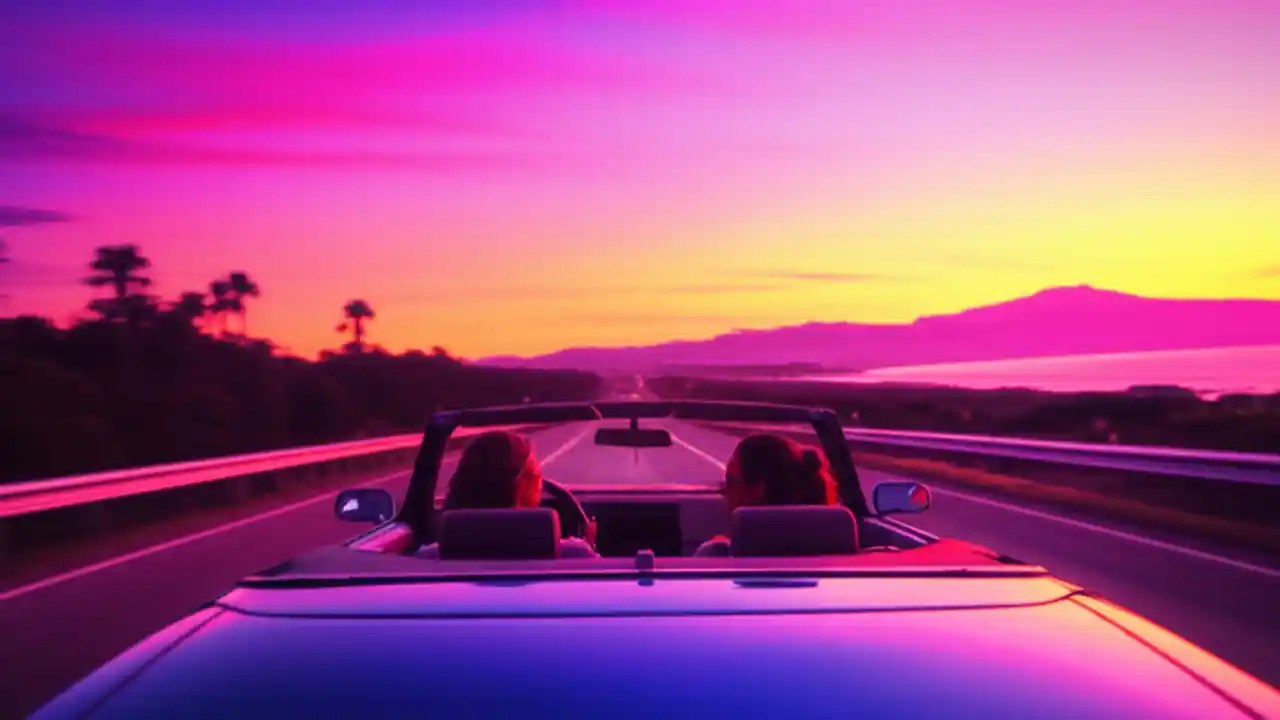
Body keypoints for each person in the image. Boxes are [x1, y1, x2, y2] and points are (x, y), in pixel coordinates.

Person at [419, 430, 597, 558]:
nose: (540, 486)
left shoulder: (429, 559)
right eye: (536, 476)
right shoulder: (574, 554)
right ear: (521, 485)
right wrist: (588, 544)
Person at [695, 433, 837, 557]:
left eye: (730, 481)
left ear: (758, 490)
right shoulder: (839, 560)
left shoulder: (717, 555)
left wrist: (718, 551)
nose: (724, 491)